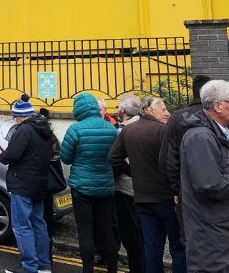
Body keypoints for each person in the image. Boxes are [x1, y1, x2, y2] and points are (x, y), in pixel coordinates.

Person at [108, 96, 184, 273]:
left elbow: (113, 158)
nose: (167, 113)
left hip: (142, 199)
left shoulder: (129, 131)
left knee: (151, 247)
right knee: (177, 246)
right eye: (163, 109)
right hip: (166, 198)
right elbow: (174, 163)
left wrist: (133, 173)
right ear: (150, 110)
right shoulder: (163, 131)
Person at [60, 93, 119, 273]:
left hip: (82, 188)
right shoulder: (111, 129)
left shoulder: (75, 130)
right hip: (106, 186)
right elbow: (116, 157)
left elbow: (66, 158)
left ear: (77, 109)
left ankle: (87, 269)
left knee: (85, 233)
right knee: (107, 230)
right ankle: (112, 269)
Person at [0, 95, 55, 273]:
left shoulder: (24, 130)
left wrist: (1, 155)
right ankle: (44, 265)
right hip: (39, 183)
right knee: (39, 223)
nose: (15, 120)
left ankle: (29, 266)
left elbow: (11, 156)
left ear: (20, 116)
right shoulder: (45, 129)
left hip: (22, 183)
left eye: (15, 117)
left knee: (22, 226)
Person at [179, 79, 229, 273]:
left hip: (219, 231)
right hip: (210, 236)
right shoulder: (200, 137)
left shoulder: (217, 133)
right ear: (217, 106)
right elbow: (209, 185)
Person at [159, 74, 211, 245]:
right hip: (218, 189)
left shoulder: (176, 118)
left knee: (191, 241)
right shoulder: (218, 116)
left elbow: (167, 159)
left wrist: (176, 189)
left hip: (186, 192)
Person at [107, 94, 144, 273]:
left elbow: (115, 159)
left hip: (126, 189)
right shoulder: (148, 125)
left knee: (131, 236)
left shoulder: (123, 130)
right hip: (145, 190)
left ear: (122, 111)